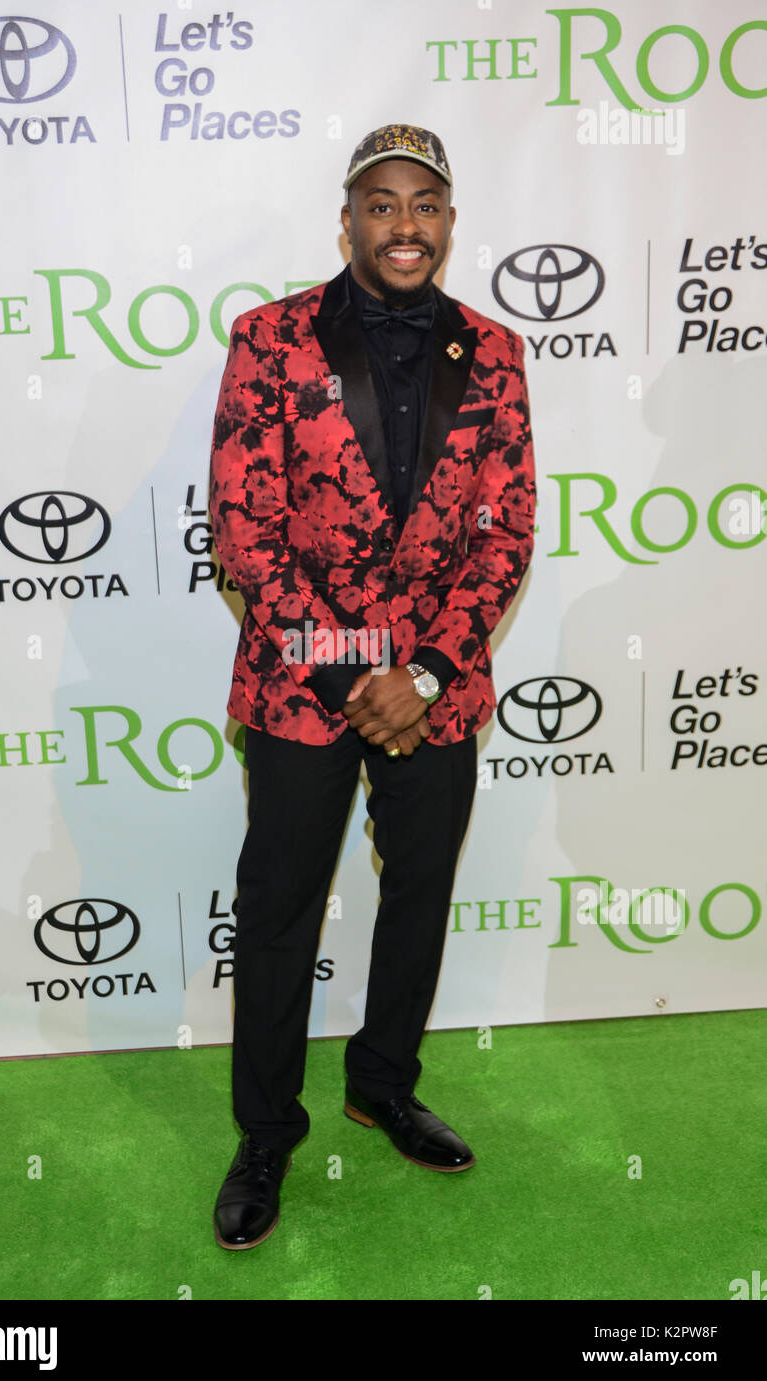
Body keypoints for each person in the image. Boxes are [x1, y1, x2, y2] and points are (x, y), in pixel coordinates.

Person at [208, 123, 536, 1250]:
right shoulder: (268, 338)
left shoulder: (494, 352)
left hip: (437, 680)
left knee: (421, 886)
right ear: (346, 218)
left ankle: (383, 1083)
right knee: (281, 903)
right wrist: (363, 666)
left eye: (427, 205)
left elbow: (506, 531)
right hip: (308, 679)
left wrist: (431, 669)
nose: (406, 225)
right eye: (383, 204)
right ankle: (265, 1129)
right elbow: (242, 532)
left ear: (449, 221)